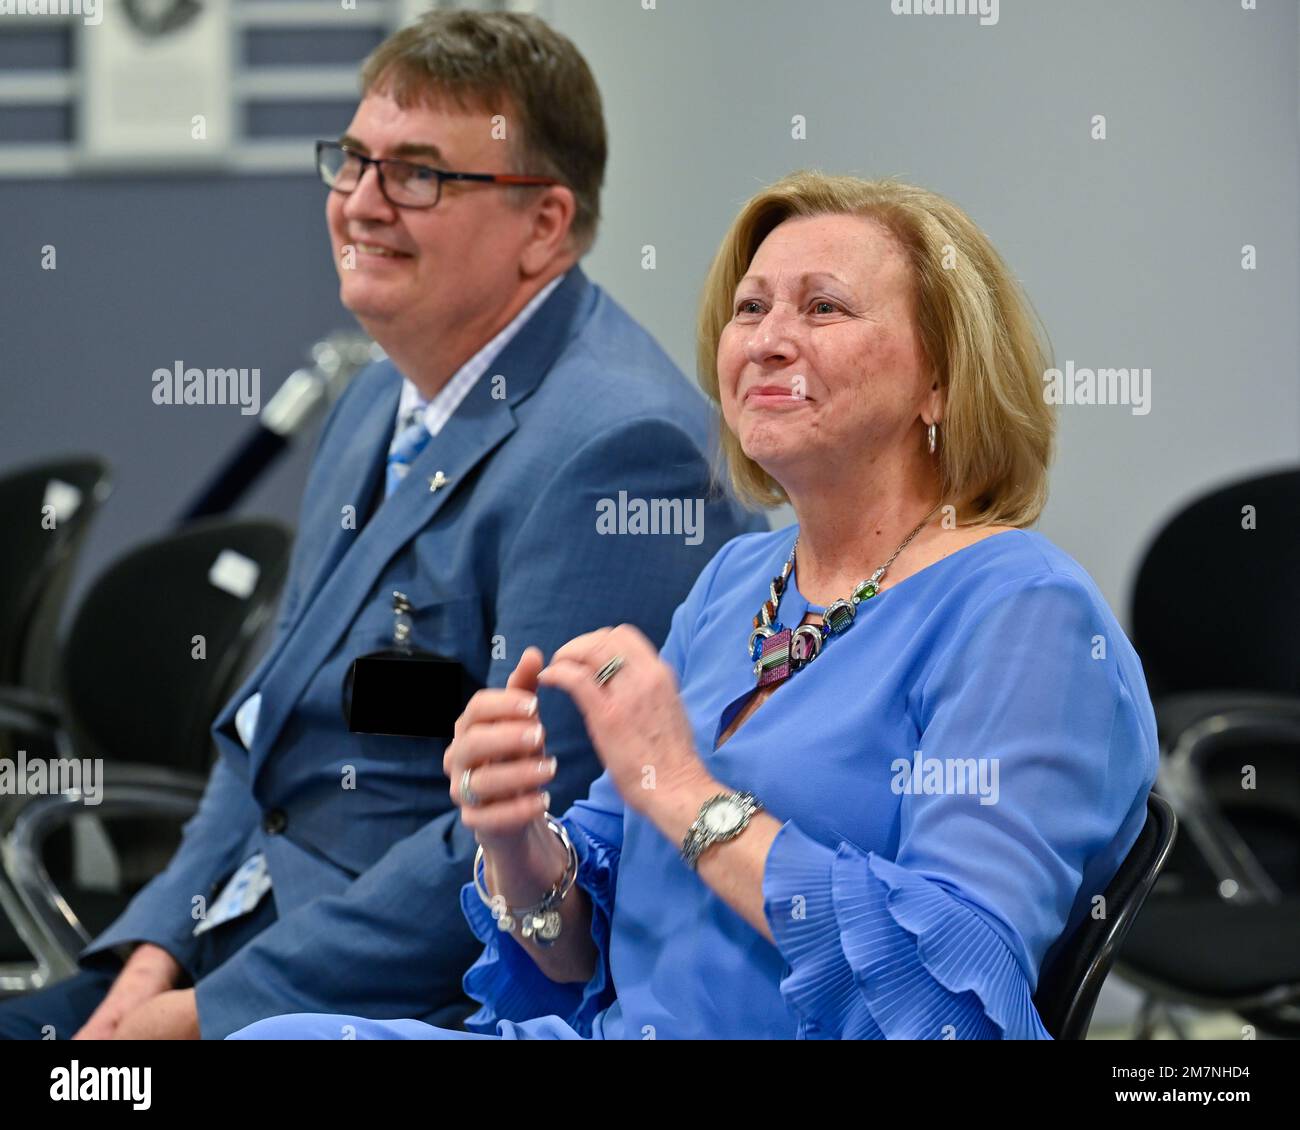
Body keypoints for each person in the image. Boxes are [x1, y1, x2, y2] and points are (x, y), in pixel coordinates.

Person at [232, 171, 1159, 1041]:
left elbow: (951, 1000)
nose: (767, 340)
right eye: (750, 308)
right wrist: (515, 839)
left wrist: (681, 789)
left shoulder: (1025, 616)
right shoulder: (737, 582)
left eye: (824, 308)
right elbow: (579, 950)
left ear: (941, 381)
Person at [0, 10, 761, 1041]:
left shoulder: (620, 451)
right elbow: (263, 731)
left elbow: (525, 842)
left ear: (544, 223)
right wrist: (149, 955)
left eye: (417, 174)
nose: (360, 202)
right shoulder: (376, 397)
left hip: (397, 1001)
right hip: (230, 948)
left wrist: (202, 1014)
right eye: (352, 160)